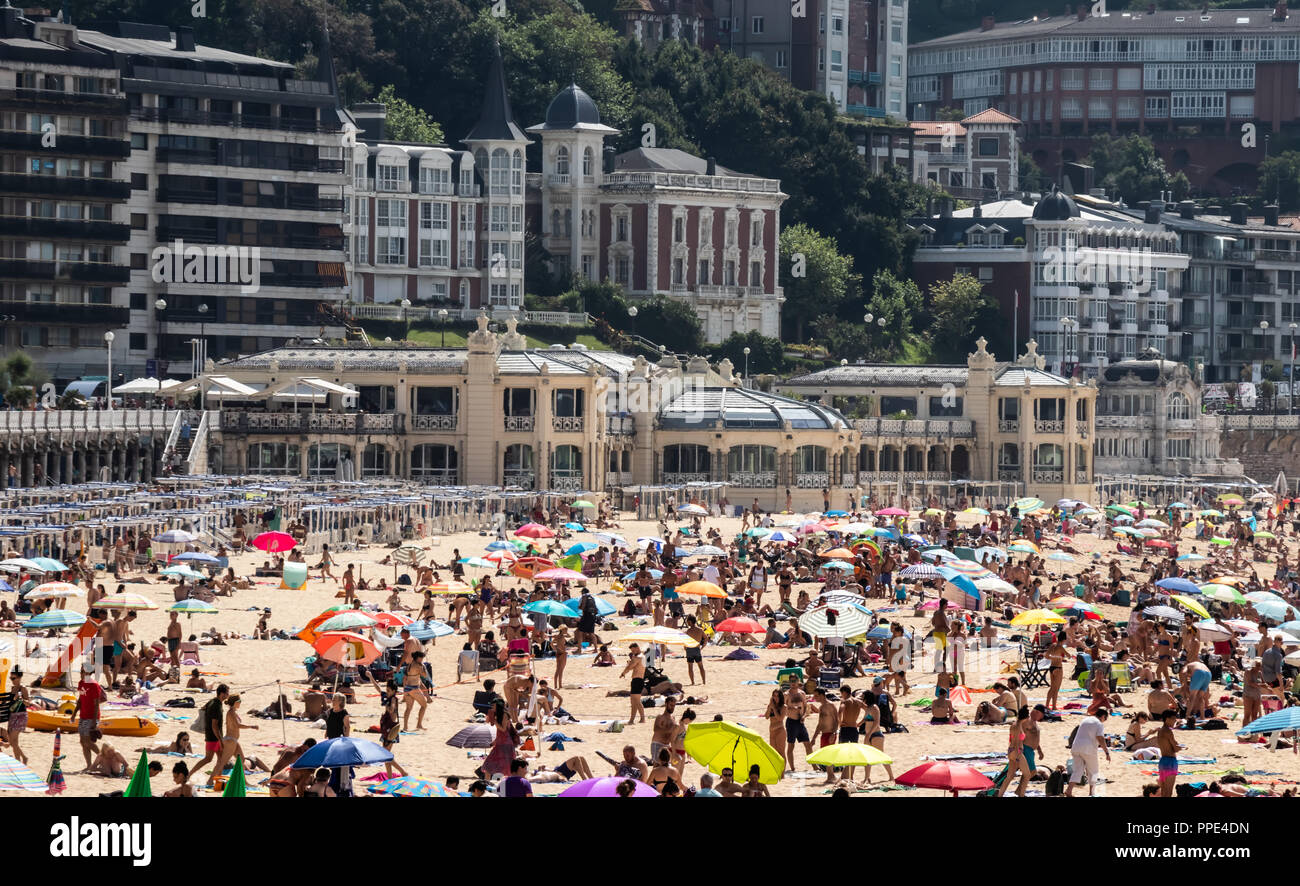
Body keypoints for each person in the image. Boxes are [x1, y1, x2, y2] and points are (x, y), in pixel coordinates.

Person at [1065, 708, 1111, 797]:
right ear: (1103, 716)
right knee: (1093, 771)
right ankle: (1091, 793)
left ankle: (1069, 790)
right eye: (1105, 719)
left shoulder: (1085, 720)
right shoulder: (1099, 724)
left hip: (1076, 747)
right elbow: (1100, 738)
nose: (1104, 721)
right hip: (1088, 749)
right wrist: (1107, 752)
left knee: (1077, 770)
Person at [194, 683, 229, 786]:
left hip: (210, 736)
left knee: (220, 759)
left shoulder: (213, 701)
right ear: (222, 694)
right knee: (208, 759)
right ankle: (210, 780)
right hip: (214, 737)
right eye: (227, 693)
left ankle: (218, 782)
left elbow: (202, 708)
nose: (228, 695)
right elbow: (215, 726)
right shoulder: (216, 705)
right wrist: (220, 740)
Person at [75, 667, 107, 771]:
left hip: (91, 717)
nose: (81, 673)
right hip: (83, 716)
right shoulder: (81, 683)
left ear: (89, 673)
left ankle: (103, 758)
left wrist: (94, 721)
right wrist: (74, 713)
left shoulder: (94, 685)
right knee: (82, 742)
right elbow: (80, 700)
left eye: (83, 671)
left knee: (88, 741)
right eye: (81, 671)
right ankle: (89, 765)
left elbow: (96, 704)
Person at [619, 643, 647, 724]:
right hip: (638, 679)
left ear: (637, 648)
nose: (633, 652)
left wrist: (623, 673)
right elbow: (634, 666)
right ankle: (632, 720)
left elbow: (629, 667)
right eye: (632, 651)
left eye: (633, 650)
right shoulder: (642, 656)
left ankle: (642, 718)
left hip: (637, 680)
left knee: (636, 701)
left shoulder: (637, 657)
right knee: (633, 701)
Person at [1156, 709, 1180, 797]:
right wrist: (1181, 747)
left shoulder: (1160, 731)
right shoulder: (1168, 731)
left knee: (1164, 792)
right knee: (1169, 792)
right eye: (1173, 718)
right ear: (1167, 719)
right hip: (1170, 762)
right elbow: (1175, 748)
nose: (1175, 721)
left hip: (1162, 762)